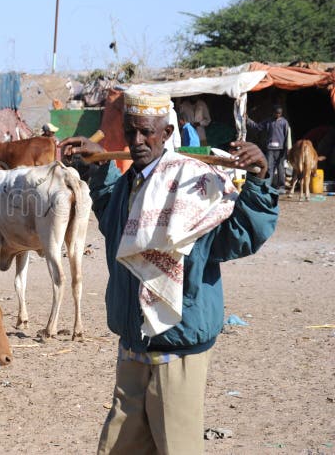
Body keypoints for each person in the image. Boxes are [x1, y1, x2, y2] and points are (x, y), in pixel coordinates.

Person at [61, 90, 278, 454]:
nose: (137, 141)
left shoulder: (197, 186)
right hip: (132, 351)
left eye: (147, 132)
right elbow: (110, 217)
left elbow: (240, 236)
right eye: (131, 132)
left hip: (177, 356)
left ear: (167, 131)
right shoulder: (128, 187)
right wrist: (96, 165)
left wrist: (258, 179)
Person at [246, 105, 290, 192]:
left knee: (280, 168)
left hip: (280, 150)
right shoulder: (268, 122)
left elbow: (287, 137)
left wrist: (286, 150)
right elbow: (257, 127)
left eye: (279, 114)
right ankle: (268, 185)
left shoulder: (284, 122)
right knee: (269, 167)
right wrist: (247, 120)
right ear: (273, 113)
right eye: (276, 113)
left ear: (281, 114)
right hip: (270, 149)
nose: (278, 115)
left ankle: (281, 187)